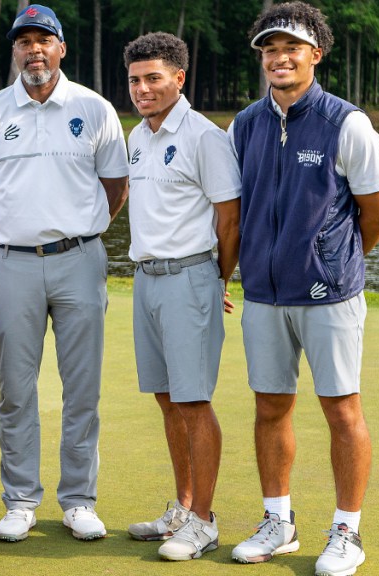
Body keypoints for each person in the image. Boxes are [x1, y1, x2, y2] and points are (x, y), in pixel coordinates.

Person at [228, 3, 379, 575]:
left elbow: (378, 215)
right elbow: (234, 210)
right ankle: (280, 522)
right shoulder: (244, 124)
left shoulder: (347, 123)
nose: (279, 57)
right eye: (270, 49)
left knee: (341, 410)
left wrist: (333, 262)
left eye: (291, 48)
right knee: (270, 407)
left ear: (315, 55)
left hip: (329, 296)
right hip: (264, 297)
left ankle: (347, 531)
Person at [0, 5, 129, 543]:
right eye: (24, 41)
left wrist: (76, 231)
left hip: (80, 260)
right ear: (14, 50)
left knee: (82, 389)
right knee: (15, 389)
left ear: (61, 49)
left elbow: (115, 187)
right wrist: (19, 229)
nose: (34, 50)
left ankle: (78, 499)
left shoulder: (94, 108)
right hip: (11, 263)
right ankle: (20, 499)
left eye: (44, 40)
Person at [122, 32, 241, 561]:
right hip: (146, 279)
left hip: (191, 278)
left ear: (179, 79)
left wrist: (216, 280)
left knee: (193, 401)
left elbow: (229, 219)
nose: (142, 89)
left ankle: (205, 522)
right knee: (167, 399)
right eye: (134, 80)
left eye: (152, 78)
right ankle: (184, 506)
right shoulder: (137, 137)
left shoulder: (204, 137)